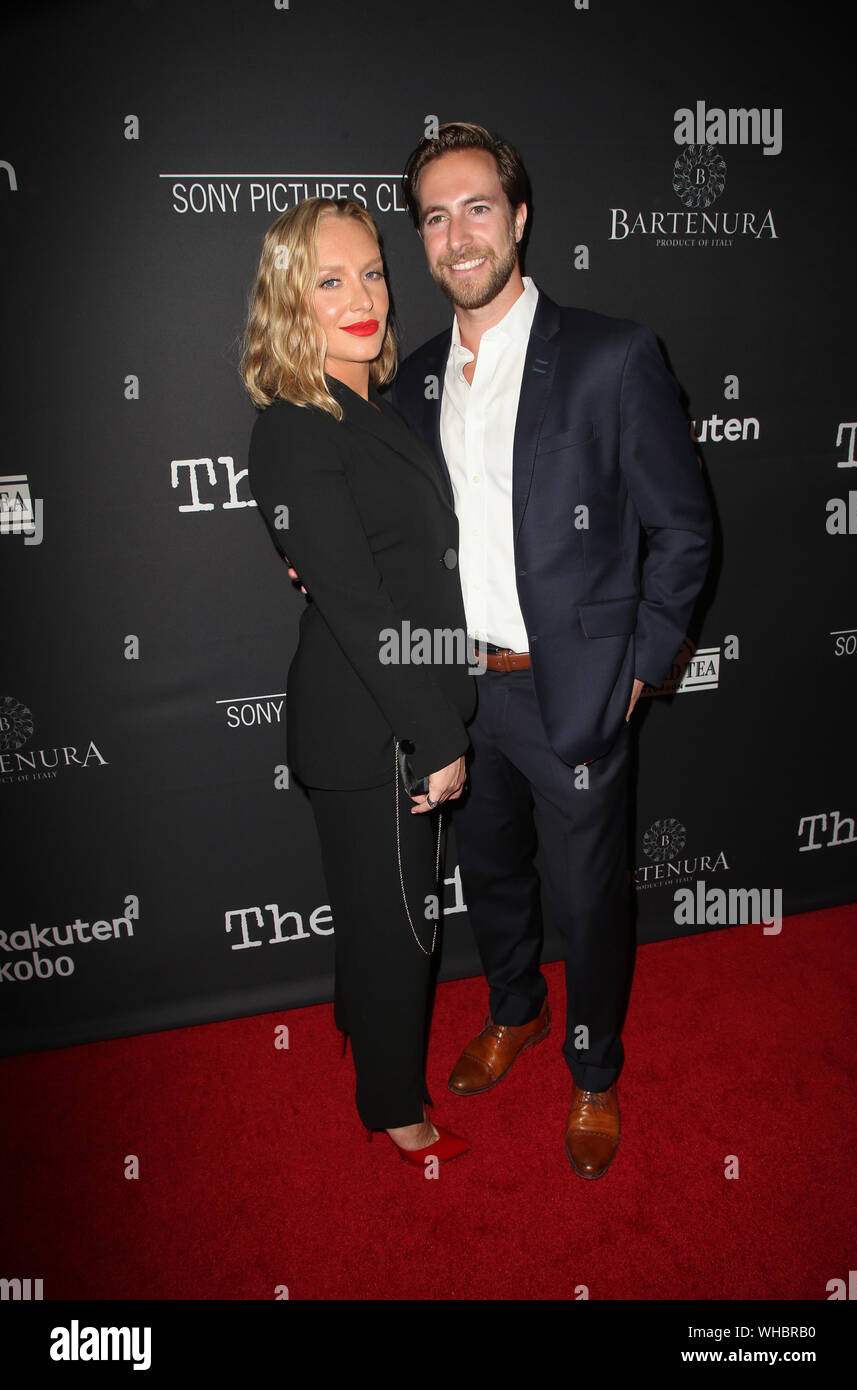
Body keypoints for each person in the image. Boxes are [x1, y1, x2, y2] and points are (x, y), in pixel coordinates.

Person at [391, 122, 713, 1179]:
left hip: (572, 691)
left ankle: (592, 1067)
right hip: (461, 690)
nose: (457, 233)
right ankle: (516, 1009)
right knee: (490, 879)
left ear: (518, 218)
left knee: (588, 897)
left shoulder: (612, 356)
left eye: (476, 206)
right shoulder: (417, 379)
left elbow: (682, 526)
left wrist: (640, 665)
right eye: (434, 215)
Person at [241, 197, 477, 1167]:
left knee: (378, 907)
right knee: (398, 929)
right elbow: (357, 606)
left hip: (385, 709)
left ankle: (356, 1029)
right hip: (373, 725)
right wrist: (436, 736)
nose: (360, 296)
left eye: (371, 272)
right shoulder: (297, 427)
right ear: (289, 301)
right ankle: (391, 1106)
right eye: (328, 279)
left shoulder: (359, 404)